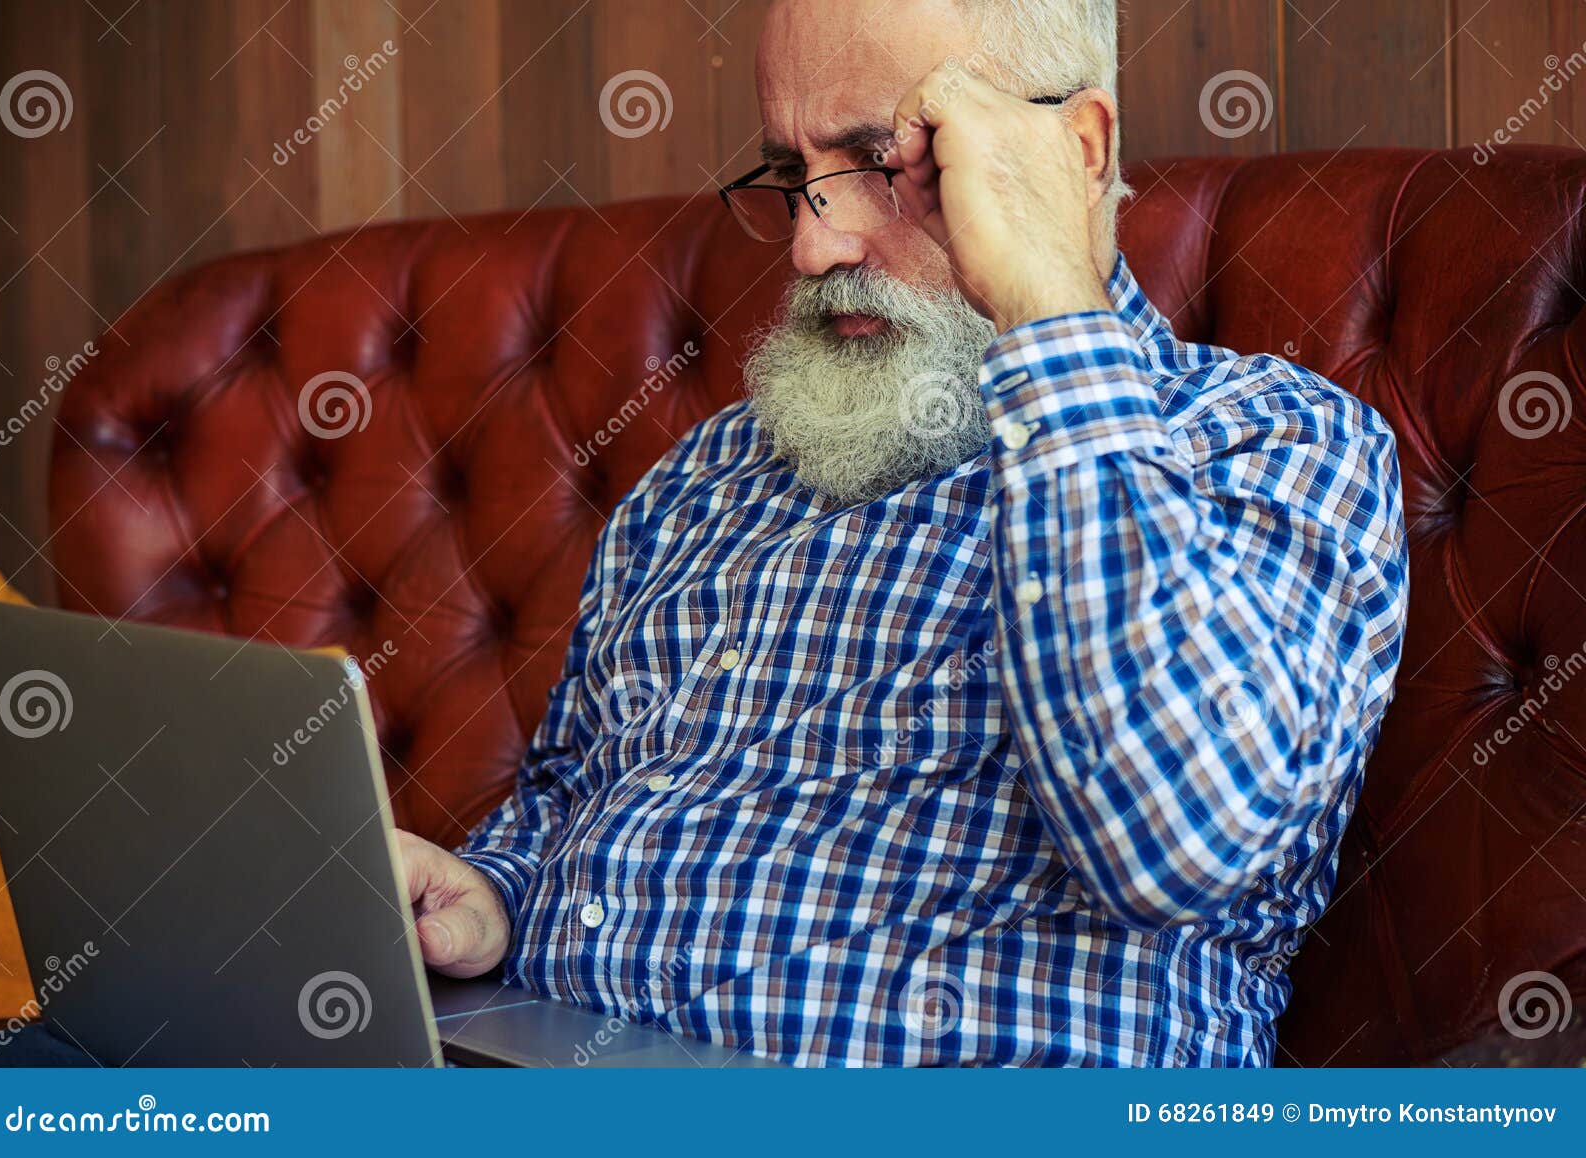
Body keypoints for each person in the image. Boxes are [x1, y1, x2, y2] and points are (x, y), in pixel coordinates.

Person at [397, 0, 1408, 1066]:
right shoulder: (700, 478)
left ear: (1075, 149)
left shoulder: (1267, 439)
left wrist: (1047, 313)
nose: (811, 243)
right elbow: (573, 795)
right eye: (793, 176)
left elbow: (1179, 846)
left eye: (886, 162)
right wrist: (495, 894)